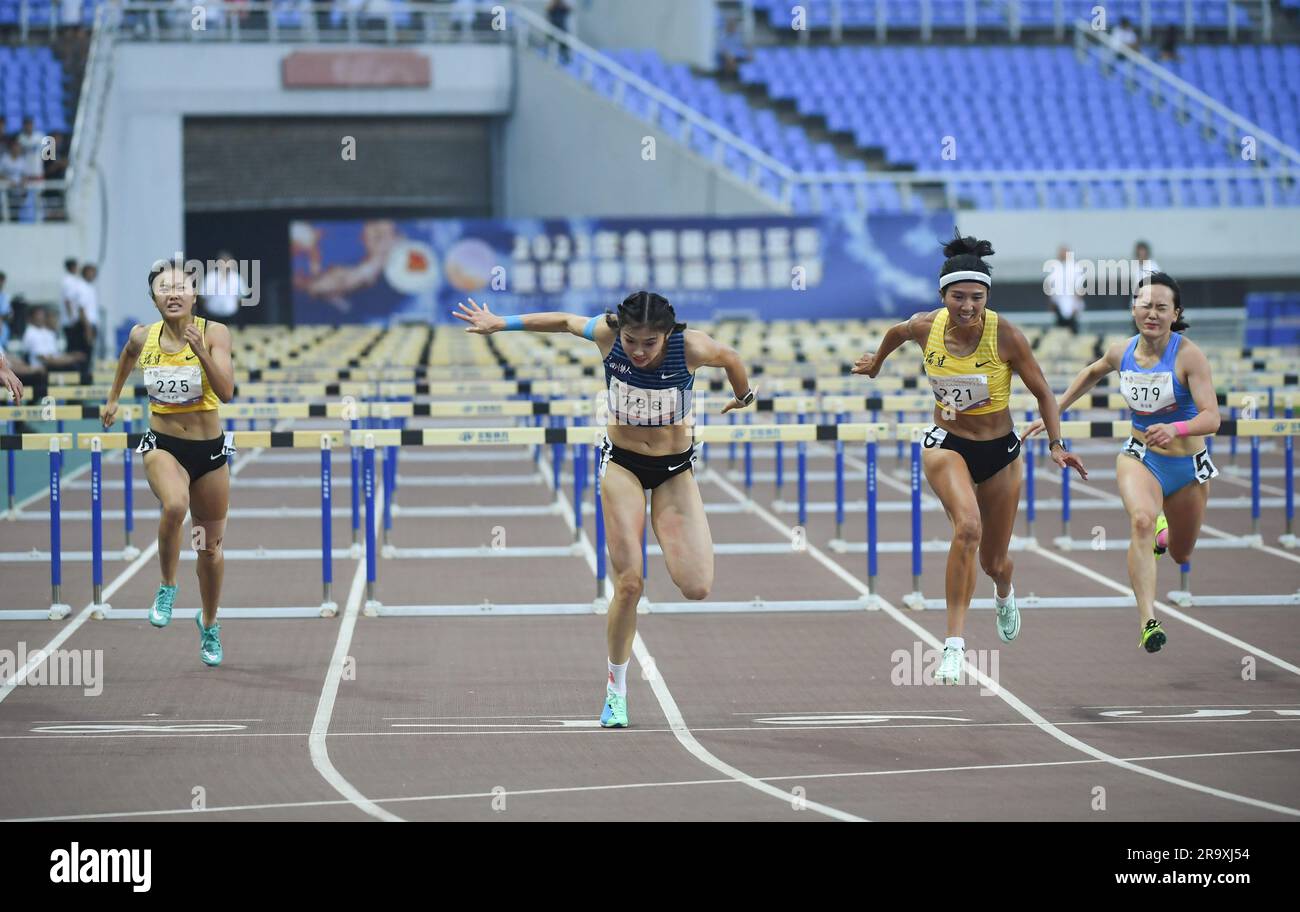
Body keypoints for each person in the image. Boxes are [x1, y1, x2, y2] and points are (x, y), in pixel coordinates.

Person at [454, 291, 755, 727]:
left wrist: (743, 397)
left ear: (667, 335)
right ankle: (616, 691)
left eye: (649, 344)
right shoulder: (606, 334)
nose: (637, 351)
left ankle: (620, 680)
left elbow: (731, 358)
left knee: (697, 586)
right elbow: (561, 321)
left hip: (674, 469)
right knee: (630, 584)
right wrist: (502, 322)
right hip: (623, 466)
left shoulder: (692, 347)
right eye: (631, 340)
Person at [853, 232, 1086, 684]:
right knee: (968, 528)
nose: (967, 306)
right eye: (958, 297)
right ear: (942, 296)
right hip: (947, 443)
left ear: (986, 297)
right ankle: (954, 646)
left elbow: (1043, 393)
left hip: (1000, 451)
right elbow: (896, 333)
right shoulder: (925, 326)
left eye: (976, 298)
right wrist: (877, 364)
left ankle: (1004, 592)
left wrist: (1056, 444)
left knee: (994, 560)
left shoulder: (1007, 336)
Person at [1025, 273, 1219, 653]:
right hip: (1141, 457)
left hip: (1187, 465)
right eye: (1145, 305)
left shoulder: (1189, 356)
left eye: (1162, 307)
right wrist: (1054, 410)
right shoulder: (1121, 351)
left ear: (1175, 313)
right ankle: (1149, 620)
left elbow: (1212, 417)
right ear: (1134, 309)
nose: (1152, 313)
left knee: (1181, 553)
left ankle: (1166, 533)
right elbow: (1092, 372)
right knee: (1141, 520)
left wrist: (1177, 428)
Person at [102, 261, 236, 666]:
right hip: (162, 445)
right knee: (174, 505)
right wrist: (113, 397)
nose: (173, 293)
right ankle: (167, 585)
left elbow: (227, 391)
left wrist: (200, 351)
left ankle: (208, 624)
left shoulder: (215, 333)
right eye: (164, 288)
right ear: (154, 298)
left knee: (208, 550)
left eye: (181, 287)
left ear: (195, 295)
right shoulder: (143, 337)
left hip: (209, 454)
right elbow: (126, 358)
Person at [1045, 244, 1083, 335]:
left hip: (1071, 305)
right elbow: (1050, 287)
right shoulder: (1055, 268)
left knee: (1073, 331)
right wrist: (1051, 303)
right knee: (1059, 332)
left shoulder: (1075, 268)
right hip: (1058, 305)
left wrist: (1076, 304)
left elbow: (1079, 288)